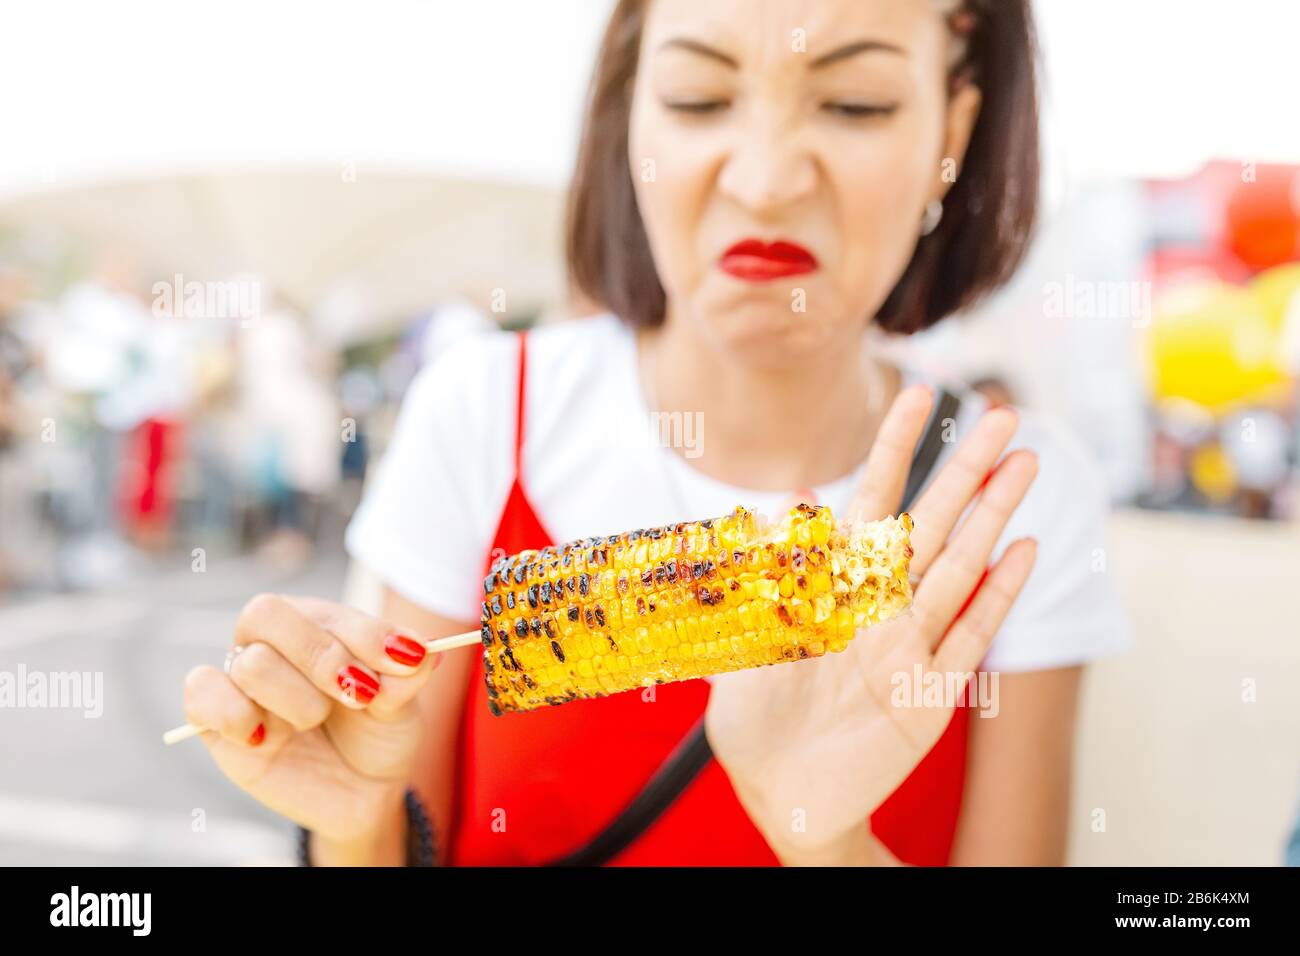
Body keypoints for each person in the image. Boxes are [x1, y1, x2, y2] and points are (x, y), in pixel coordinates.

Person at [182, 0, 1131, 866]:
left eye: (854, 104)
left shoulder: (1011, 491)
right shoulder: (485, 412)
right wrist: (353, 825)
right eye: (698, 96)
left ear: (952, 134)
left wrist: (831, 844)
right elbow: (384, 834)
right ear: (628, 117)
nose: (765, 181)